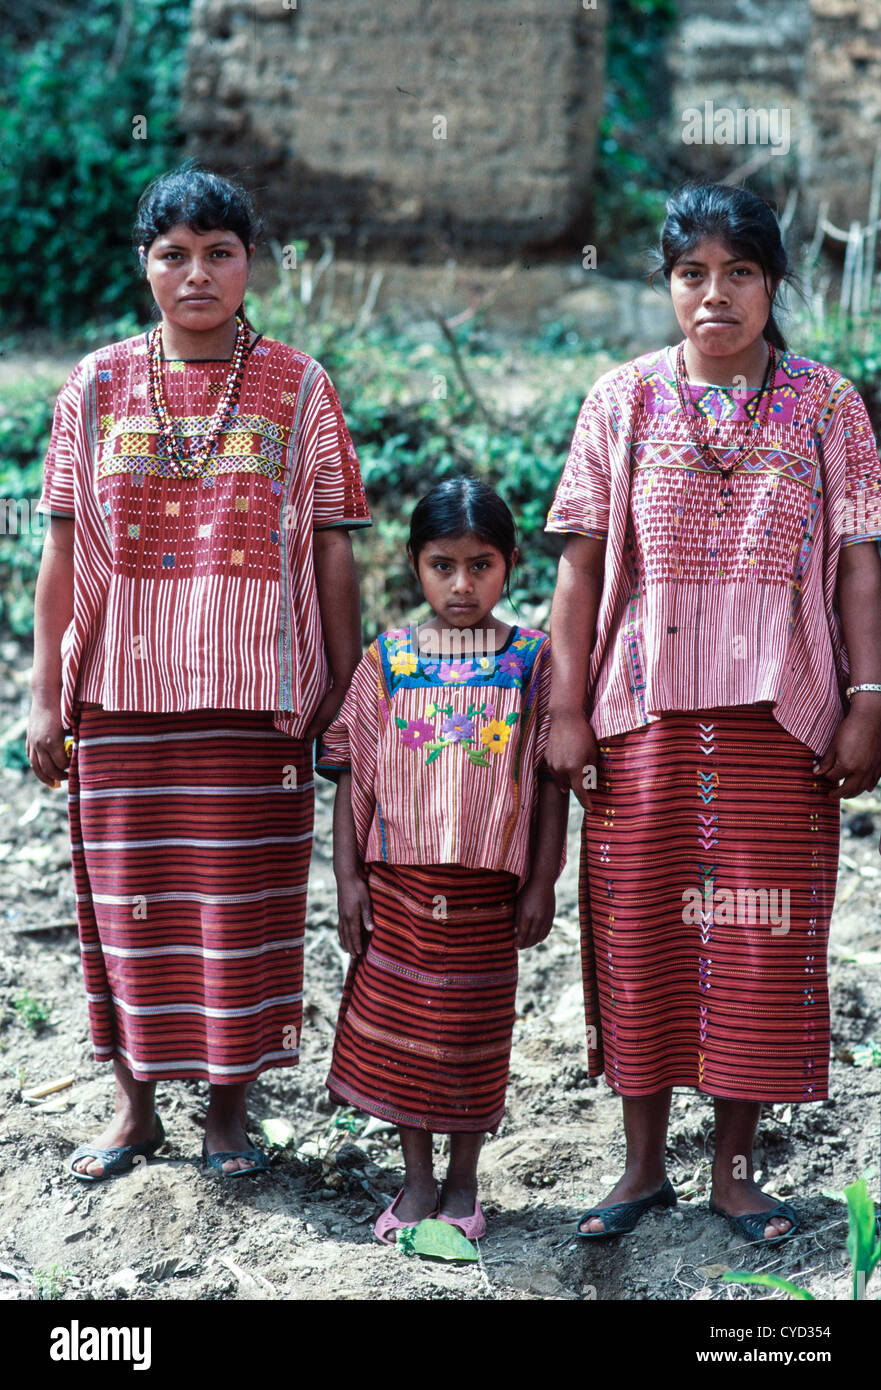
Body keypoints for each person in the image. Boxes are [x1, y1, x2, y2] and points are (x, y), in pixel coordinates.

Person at [545, 181, 881, 1244]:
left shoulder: (827, 403)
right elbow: (581, 567)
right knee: (639, 932)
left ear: (772, 283)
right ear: (665, 285)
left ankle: (734, 1172)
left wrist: (867, 702)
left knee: (759, 941)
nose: (713, 293)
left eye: (738, 271)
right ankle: (639, 1167)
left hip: (781, 720)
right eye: (691, 273)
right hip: (639, 709)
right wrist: (563, 707)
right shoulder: (620, 400)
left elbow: (856, 568)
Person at [27, 165, 370, 1180]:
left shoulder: (301, 385)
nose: (196, 273)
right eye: (173, 253)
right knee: (125, 899)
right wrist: (45, 692)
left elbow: (333, 549)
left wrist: (345, 699)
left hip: (256, 697)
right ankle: (134, 1108)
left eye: (219, 251)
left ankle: (229, 1112)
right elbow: (58, 547)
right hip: (121, 696)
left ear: (249, 262)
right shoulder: (92, 385)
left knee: (242, 901)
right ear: (145, 264)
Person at [316, 478, 568, 1242]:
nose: (462, 585)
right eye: (442, 565)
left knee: (470, 1037)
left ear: (512, 564)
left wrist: (544, 881)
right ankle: (417, 1181)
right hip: (398, 885)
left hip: (490, 892)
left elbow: (552, 778)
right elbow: (353, 767)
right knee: (404, 1035)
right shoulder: (387, 660)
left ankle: (463, 1185)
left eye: (481, 565)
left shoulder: (531, 661)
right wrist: (348, 877)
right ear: (413, 567)